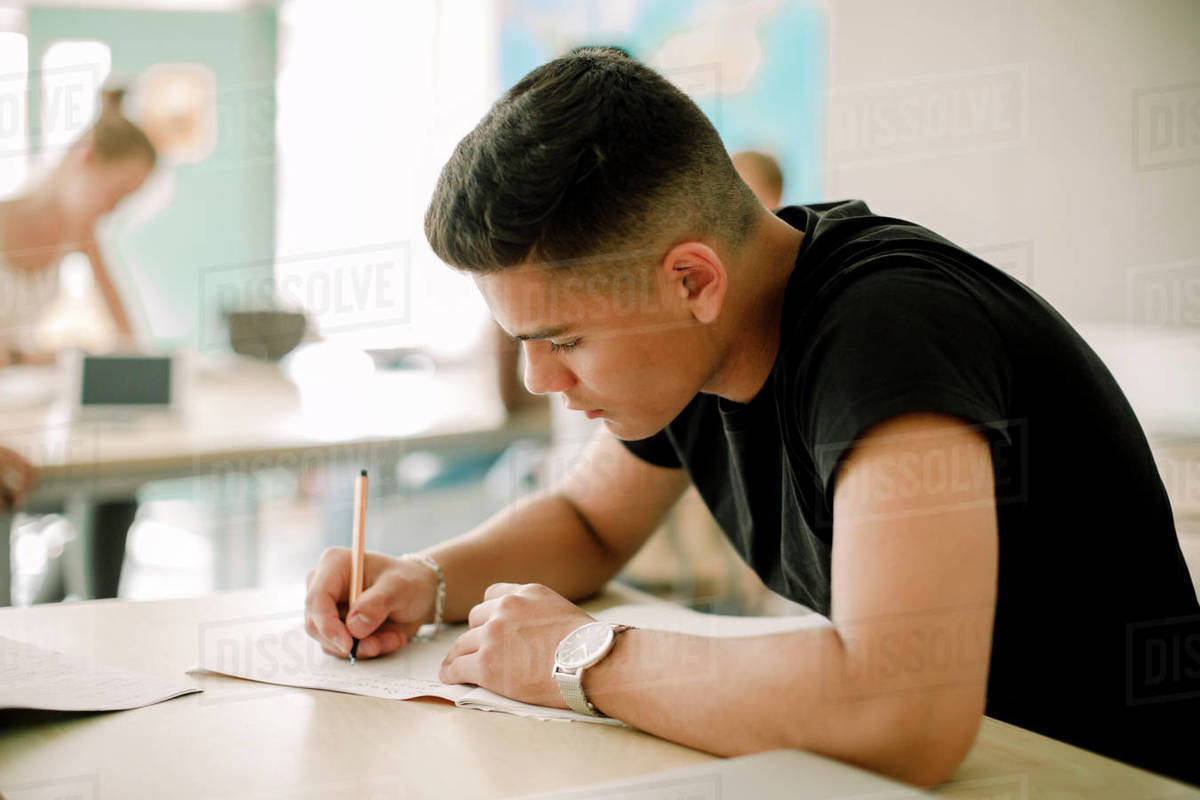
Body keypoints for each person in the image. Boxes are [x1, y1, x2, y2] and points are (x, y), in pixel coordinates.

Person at [304, 49, 1199, 786]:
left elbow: (904, 707)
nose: (541, 380)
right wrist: (427, 578)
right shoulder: (696, 343)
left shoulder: (886, 332)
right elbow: (585, 522)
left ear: (690, 279)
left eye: (564, 339)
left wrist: (578, 656)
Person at [0, 87, 156, 603]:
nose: (115, 211)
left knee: (116, 491)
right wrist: (39, 353)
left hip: (27, 421)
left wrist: (94, 245)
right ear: (85, 159)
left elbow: (130, 343)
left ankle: (72, 621)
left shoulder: (78, 236)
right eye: (115, 196)